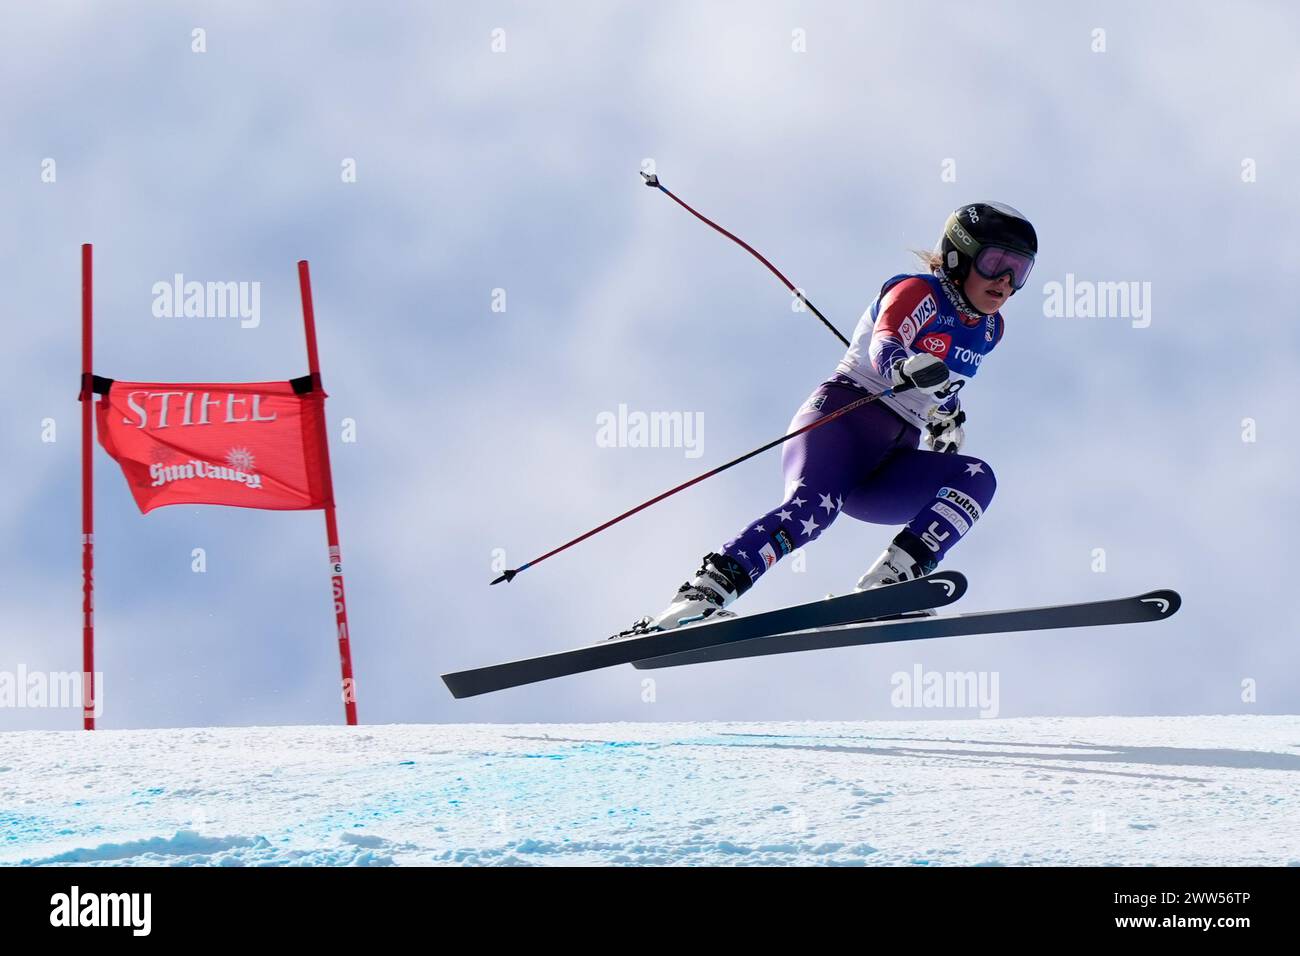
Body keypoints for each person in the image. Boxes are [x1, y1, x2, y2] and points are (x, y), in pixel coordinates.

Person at [623, 201, 1038, 635]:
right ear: (959, 256)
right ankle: (701, 595)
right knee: (810, 513)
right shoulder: (918, 292)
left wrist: (945, 417)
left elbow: (945, 383)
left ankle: (891, 582)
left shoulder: (991, 330)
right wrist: (902, 367)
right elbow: (886, 345)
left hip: (892, 459)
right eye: (995, 263)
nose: (1005, 282)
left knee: (977, 479)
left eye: (1019, 271)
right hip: (842, 421)